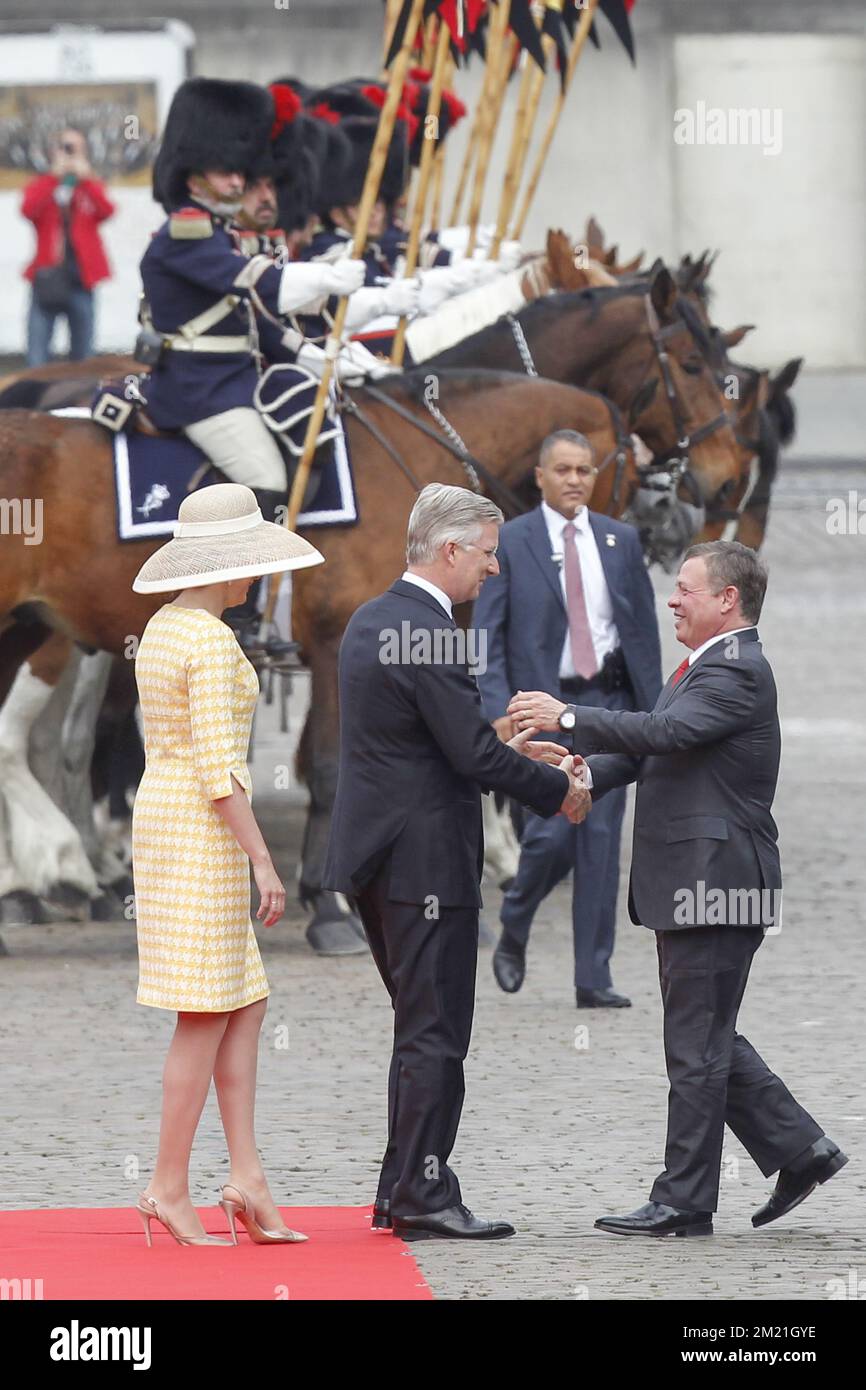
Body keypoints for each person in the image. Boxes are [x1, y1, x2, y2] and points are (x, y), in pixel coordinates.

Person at [509, 540, 848, 1236]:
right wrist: (583, 774)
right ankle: (800, 1148)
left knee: (696, 1043)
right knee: (706, 1034)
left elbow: (667, 730)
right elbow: (650, 749)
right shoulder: (706, 666)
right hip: (703, 882)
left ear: (727, 599)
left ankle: (684, 1201)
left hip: (716, 883)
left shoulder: (737, 669)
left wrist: (566, 715)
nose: (672, 599)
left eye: (686, 589)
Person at [323, 483, 591, 1241]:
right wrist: (559, 792)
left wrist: (500, 737)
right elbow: (466, 756)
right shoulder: (434, 633)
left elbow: (426, 742)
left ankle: (401, 1186)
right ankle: (423, 1195)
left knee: (419, 1028)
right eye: (486, 554)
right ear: (449, 551)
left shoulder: (374, 619)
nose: (494, 570)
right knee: (437, 1034)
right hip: (426, 866)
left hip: (380, 860)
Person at [129, 482, 325, 1246]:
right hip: (200, 828)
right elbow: (220, 771)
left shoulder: (167, 624)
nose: (256, 577)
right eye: (248, 563)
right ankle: (166, 1186)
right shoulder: (208, 639)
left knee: (242, 1001)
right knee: (206, 1009)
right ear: (225, 563)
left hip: (170, 815)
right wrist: (266, 861)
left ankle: (247, 1177)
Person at [138, 78, 364, 645]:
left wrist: (313, 357)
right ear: (192, 172)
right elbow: (262, 282)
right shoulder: (184, 232)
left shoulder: (214, 229)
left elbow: (255, 320)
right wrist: (326, 277)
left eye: (238, 168)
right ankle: (237, 615)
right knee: (264, 476)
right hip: (195, 389)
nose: (237, 180)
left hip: (233, 382)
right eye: (224, 169)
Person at [474, 430, 662, 1007]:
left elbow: (640, 633)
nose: (576, 479)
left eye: (584, 469)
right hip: (544, 711)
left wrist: (656, 718)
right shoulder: (509, 540)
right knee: (553, 834)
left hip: (609, 709)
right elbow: (486, 636)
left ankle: (593, 976)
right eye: (563, 469)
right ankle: (517, 918)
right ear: (539, 475)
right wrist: (500, 715)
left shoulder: (620, 540)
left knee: (602, 842)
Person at [21, 127, 114, 365]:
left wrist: (88, 178)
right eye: (65, 147)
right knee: (37, 355)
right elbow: (28, 210)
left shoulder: (90, 185)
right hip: (47, 278)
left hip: (82, 279)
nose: (70, 153)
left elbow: (107, 211)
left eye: (76, 148)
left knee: (84, 355)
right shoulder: (43, 184)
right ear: (54, 151)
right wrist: (54, 176)